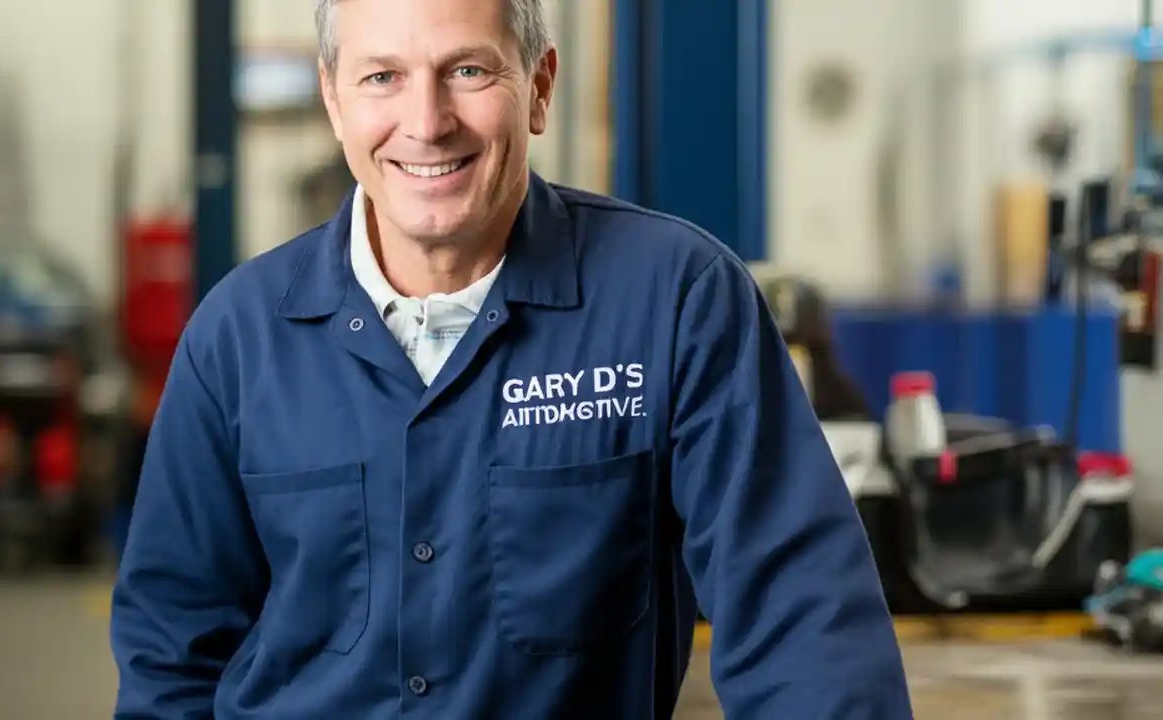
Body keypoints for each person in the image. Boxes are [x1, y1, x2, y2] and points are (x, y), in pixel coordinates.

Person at [109, 0, 914, 717]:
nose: (426, 121)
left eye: (467, 70)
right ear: (332, 98)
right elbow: (172, 655)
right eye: (382, 76)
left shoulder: (673, 300)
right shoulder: (237, 338)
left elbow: (799, 619)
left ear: (539, 86)